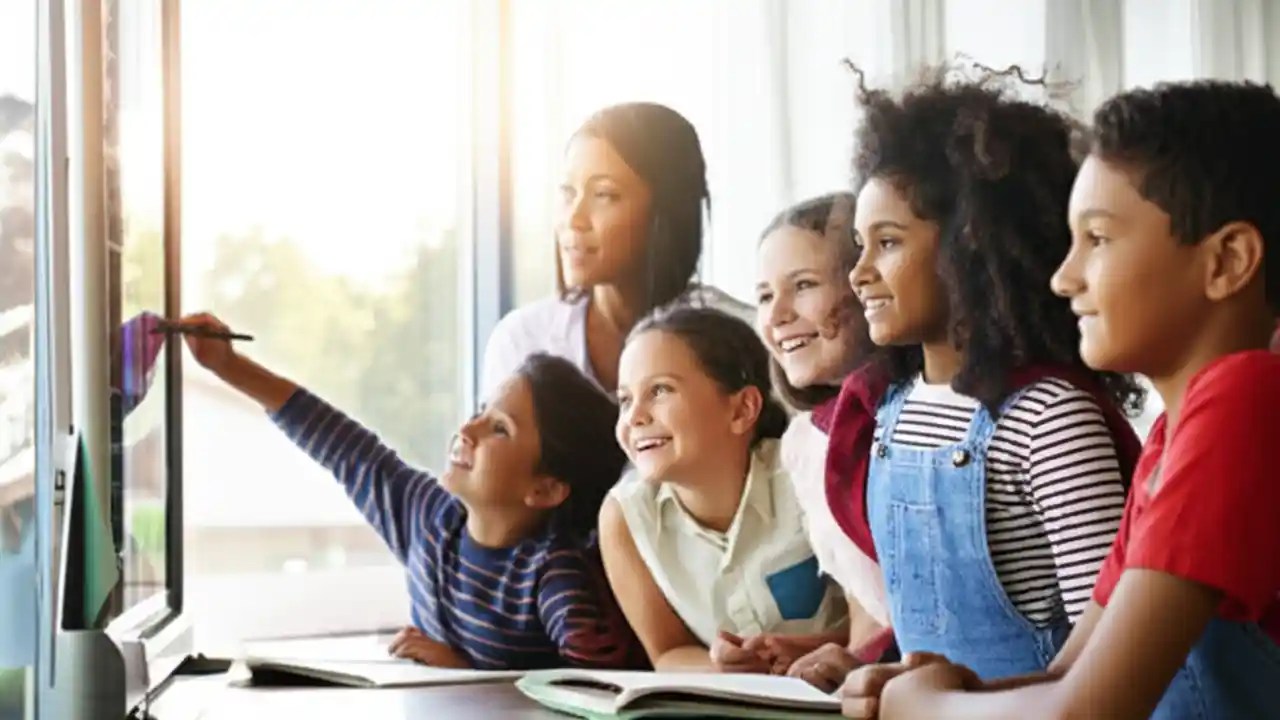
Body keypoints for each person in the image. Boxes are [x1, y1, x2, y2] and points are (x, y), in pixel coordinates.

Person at [850, 79, 1280, 720]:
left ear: (1228, 261)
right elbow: (1067, 675)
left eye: (1099, 239)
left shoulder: (1246, 399)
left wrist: (931, 710)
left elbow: (1083, 713)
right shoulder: (1172, 438)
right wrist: (933, 689)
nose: (1063, 276)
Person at [826, 70, 1145, 686]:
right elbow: (929, 642)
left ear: (972, 245)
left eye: (887, 243)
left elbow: (1110, 670)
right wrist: (864, 667)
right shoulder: (887, 411)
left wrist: (932, 700)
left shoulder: (1052, 419)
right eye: (859, 246)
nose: (859, 273)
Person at [179, 313, 643, 671]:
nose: (468, 428)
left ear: (545, 489)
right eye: (482, 411)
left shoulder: (553, 575)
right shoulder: (429, 518)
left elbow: (595, 690)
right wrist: (228, 365)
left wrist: (465, 673)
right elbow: (344, 447)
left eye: (499, 428)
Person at [598, 306, 847, 671]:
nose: (634, 416)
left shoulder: (809, 473)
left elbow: (882, 626)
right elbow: (667, 653)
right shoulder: (623, 517)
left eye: (660, 390)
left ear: (742, 410)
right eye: (625, 399)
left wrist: (814, 650)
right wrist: (723, 670)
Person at [481, 101, 746, 398]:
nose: (574, 219)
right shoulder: (523, 340)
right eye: (568, 193)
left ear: (666, 212)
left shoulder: (742, 338)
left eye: (604, 194)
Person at [748, 192, 892, 691]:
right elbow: (868, 608)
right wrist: (828, 657)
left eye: (803, 286)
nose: (779, 314)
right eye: (765, 296)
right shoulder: (803, 443)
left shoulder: (912, 417)